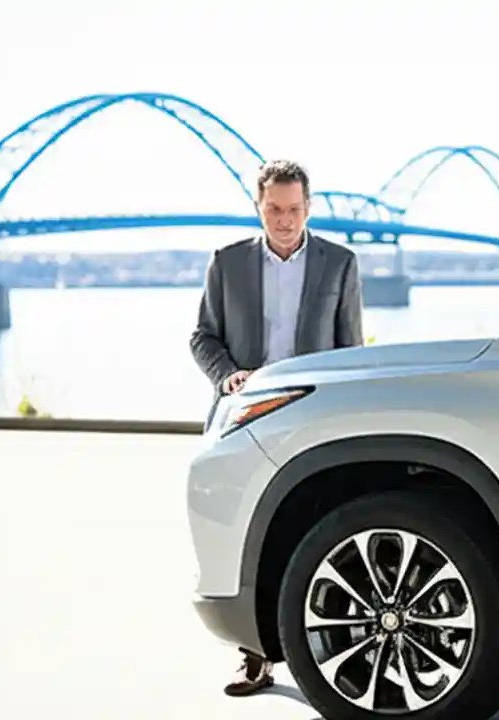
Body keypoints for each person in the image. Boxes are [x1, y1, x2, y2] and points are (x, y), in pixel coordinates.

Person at [189, 159, 365, 697]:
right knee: (251, 534)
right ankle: (255, 657)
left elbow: (351, 350)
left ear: (308, 208)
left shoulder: (340, 263)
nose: (284, 221)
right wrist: (228, 378)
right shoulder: (227, 262)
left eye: (293, 210)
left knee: (324, 530)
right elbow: (203, 338)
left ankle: (343, 650)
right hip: (250, 416)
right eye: (273, 210)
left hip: (316, 416)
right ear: (258, 207)